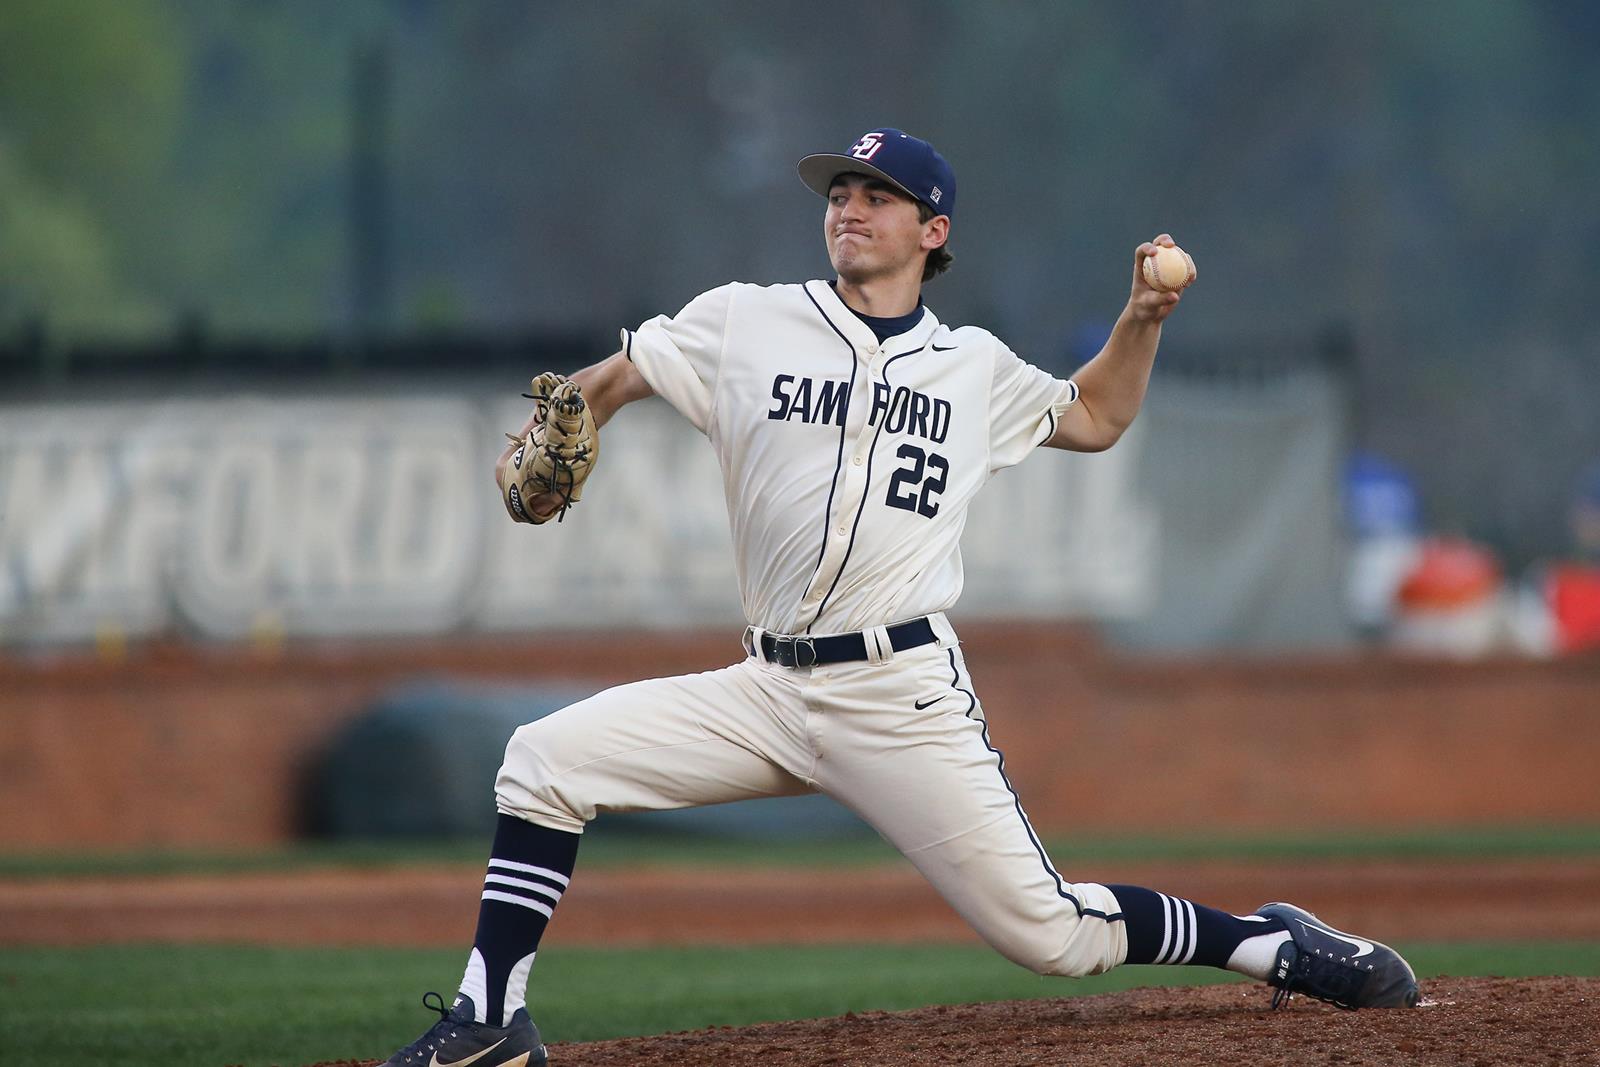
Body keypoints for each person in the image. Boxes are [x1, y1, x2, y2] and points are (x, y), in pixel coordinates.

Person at [380, 128, 1418, 1067]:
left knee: (1052, 935)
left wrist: (1141, 315)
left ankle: (1273, 941)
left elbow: (1097, 413)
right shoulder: (746, 322)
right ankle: (489, 1020)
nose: (847, 206)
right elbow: (617, 375)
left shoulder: (972, 369)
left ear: (933, 228)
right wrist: (576, 420)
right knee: (543, 760)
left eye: (876, 194)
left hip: (898, 693)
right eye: (839, 190)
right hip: (764, 686)